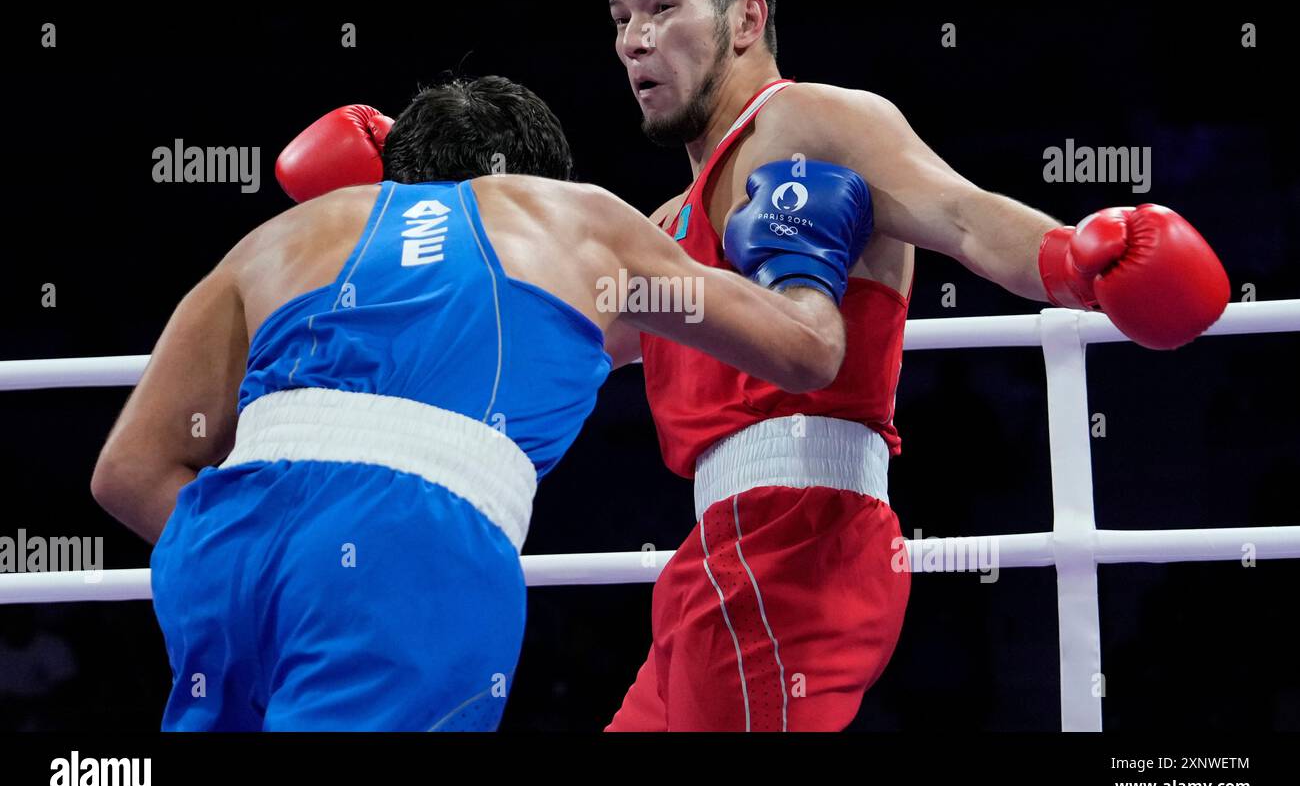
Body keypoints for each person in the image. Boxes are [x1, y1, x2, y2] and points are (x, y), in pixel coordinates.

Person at [592, 0, 1230, 731]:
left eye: (661, 6)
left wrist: (1077, 259)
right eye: (621, 19)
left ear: (747, 18)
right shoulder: (668, 224)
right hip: (713, 555)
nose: (634, 40)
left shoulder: (808, 120)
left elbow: (962, 216)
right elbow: (565, 340)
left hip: (800, 538)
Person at [89, 75, 877, 730]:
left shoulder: (279, 239)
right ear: (537, 176)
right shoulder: (572, 218)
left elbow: (127, 471)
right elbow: (806, 353)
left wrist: (267, 548)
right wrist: (800, 247)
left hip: (221, 548)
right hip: (406, 549)